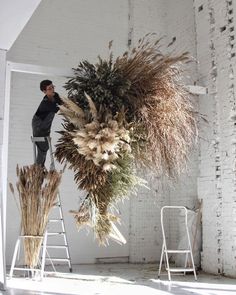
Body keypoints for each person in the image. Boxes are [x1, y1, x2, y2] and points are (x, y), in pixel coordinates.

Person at [32, 80, 62, 166]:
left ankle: (39, 167)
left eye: (53, 87)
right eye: (49, 88)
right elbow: (58, 109)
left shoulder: (55, 95)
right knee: (43, 147)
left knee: (45, 147)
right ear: (44, 91)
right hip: (38, 124)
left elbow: (62, 104)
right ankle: (38, 169)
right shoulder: (45, 103)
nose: (52, 89)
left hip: (46, 124)